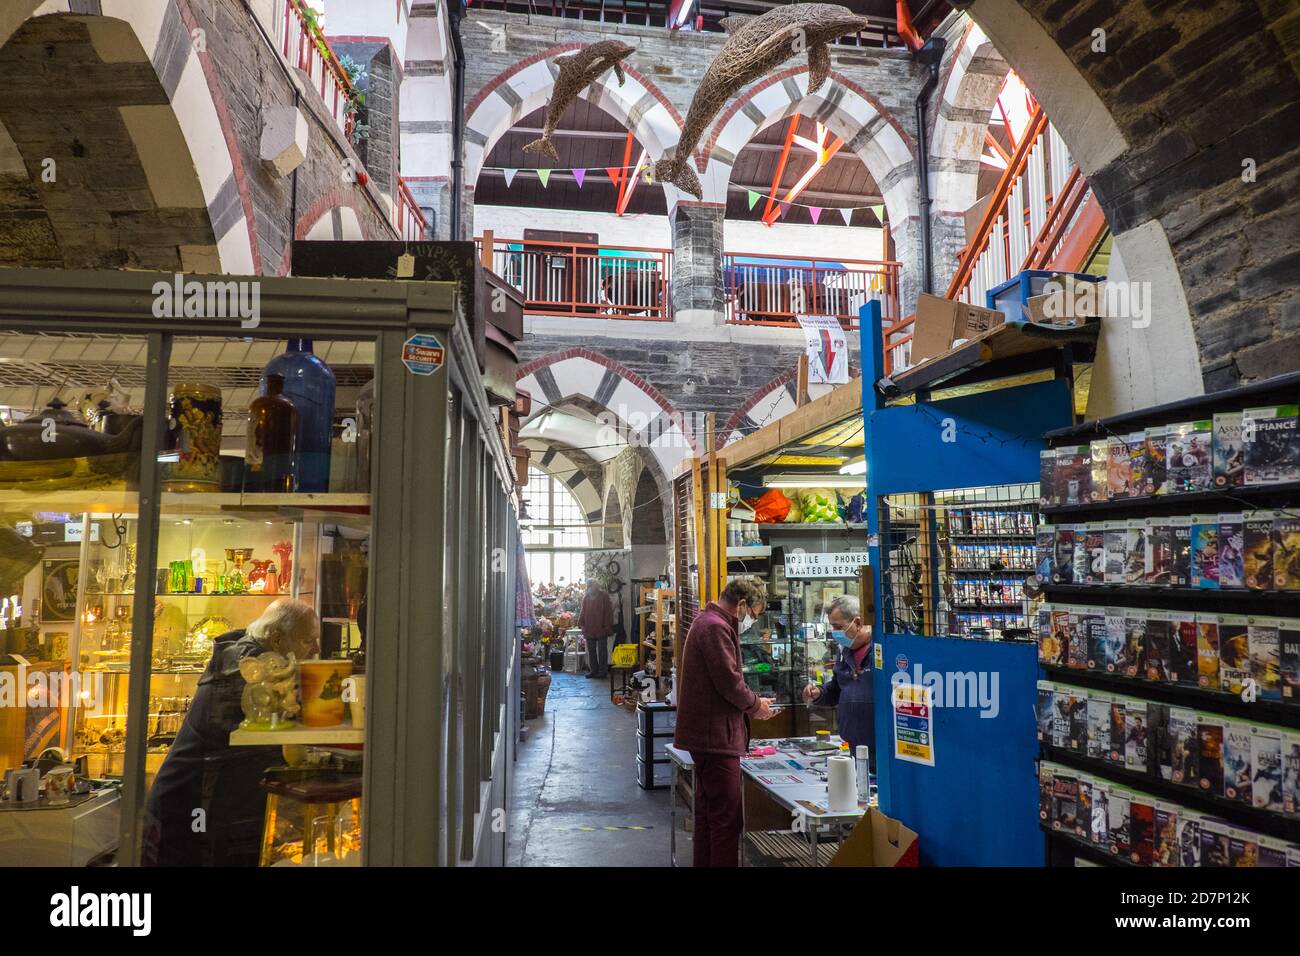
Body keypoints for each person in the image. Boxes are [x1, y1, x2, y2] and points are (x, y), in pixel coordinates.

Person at [143, 598, 321, 866]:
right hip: (190, 815)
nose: (316, 649)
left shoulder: (255, 661)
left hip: (207, 812)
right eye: (308, 641)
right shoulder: (244, 670)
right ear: (276, 638)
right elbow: (272, 734)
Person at [674, 577, 775, 867]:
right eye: (753, 614)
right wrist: (757, 706)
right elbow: (729, 683)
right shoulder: (715, 627)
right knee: (726, 820)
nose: (752, 620)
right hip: (715, 739)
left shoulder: (709, 623)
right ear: (741, 604)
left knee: (709, 815)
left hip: (710, 737)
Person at [802, 594, 875, 768]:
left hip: (882, 745)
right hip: (853, 746)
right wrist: (819, 692)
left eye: (838, 626)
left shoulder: (882, 652)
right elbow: (837, 689)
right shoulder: (844, 652)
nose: (834, 633)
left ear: (858, 623)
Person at [577, 579, 614, 679]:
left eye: (590, 586)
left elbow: (609, 612)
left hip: (601, 627)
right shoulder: (586, 598)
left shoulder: (604, 596)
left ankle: (603, 672)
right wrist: (580, 622)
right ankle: (593, 670)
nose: (588, 588)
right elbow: (583, 611)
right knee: (591, 650)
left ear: (596, 586)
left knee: (602, 650)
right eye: (587, 586)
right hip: (589, 627)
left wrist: (607, 626)